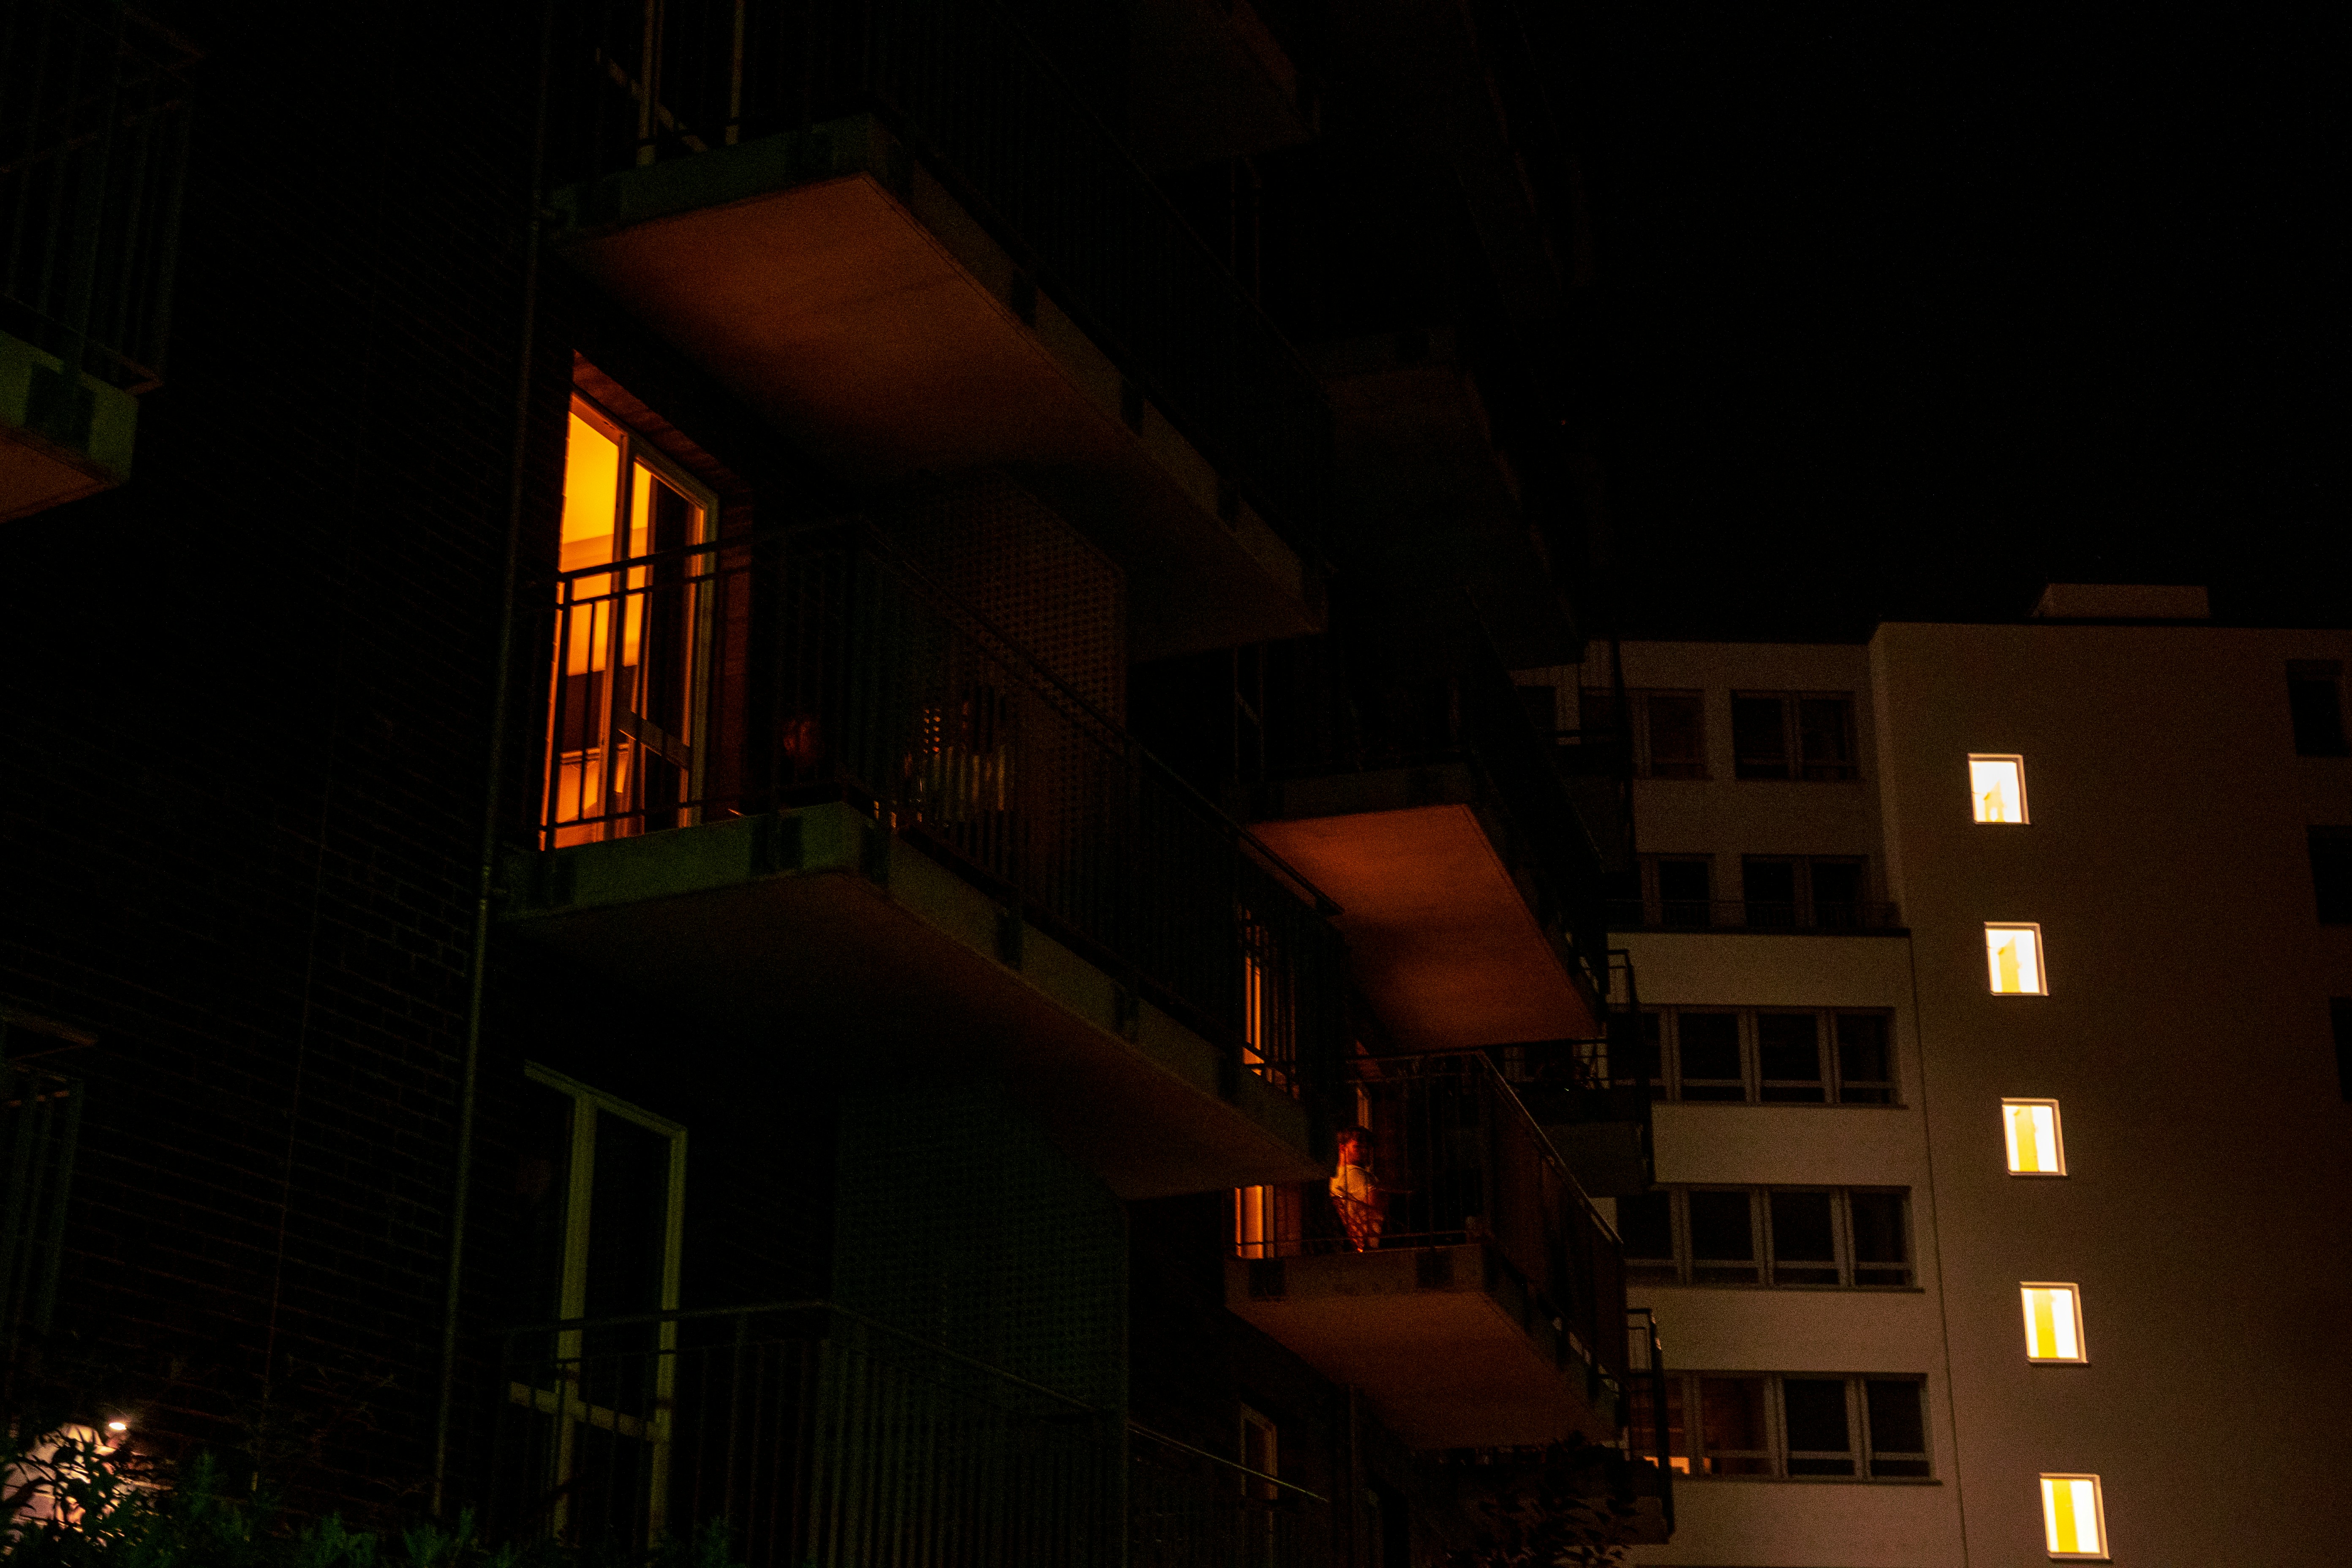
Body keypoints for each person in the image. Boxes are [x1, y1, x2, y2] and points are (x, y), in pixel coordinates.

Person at [1329, 1126, 1386, 1251]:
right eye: (1358, 1147)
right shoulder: (1351, 1173)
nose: (1364, 1151)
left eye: (1366, 1147)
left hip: (1365, 1240)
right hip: (1383, 1238)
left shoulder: (1338, 1175)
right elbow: (1375, 1199)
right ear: (1343, 1148)